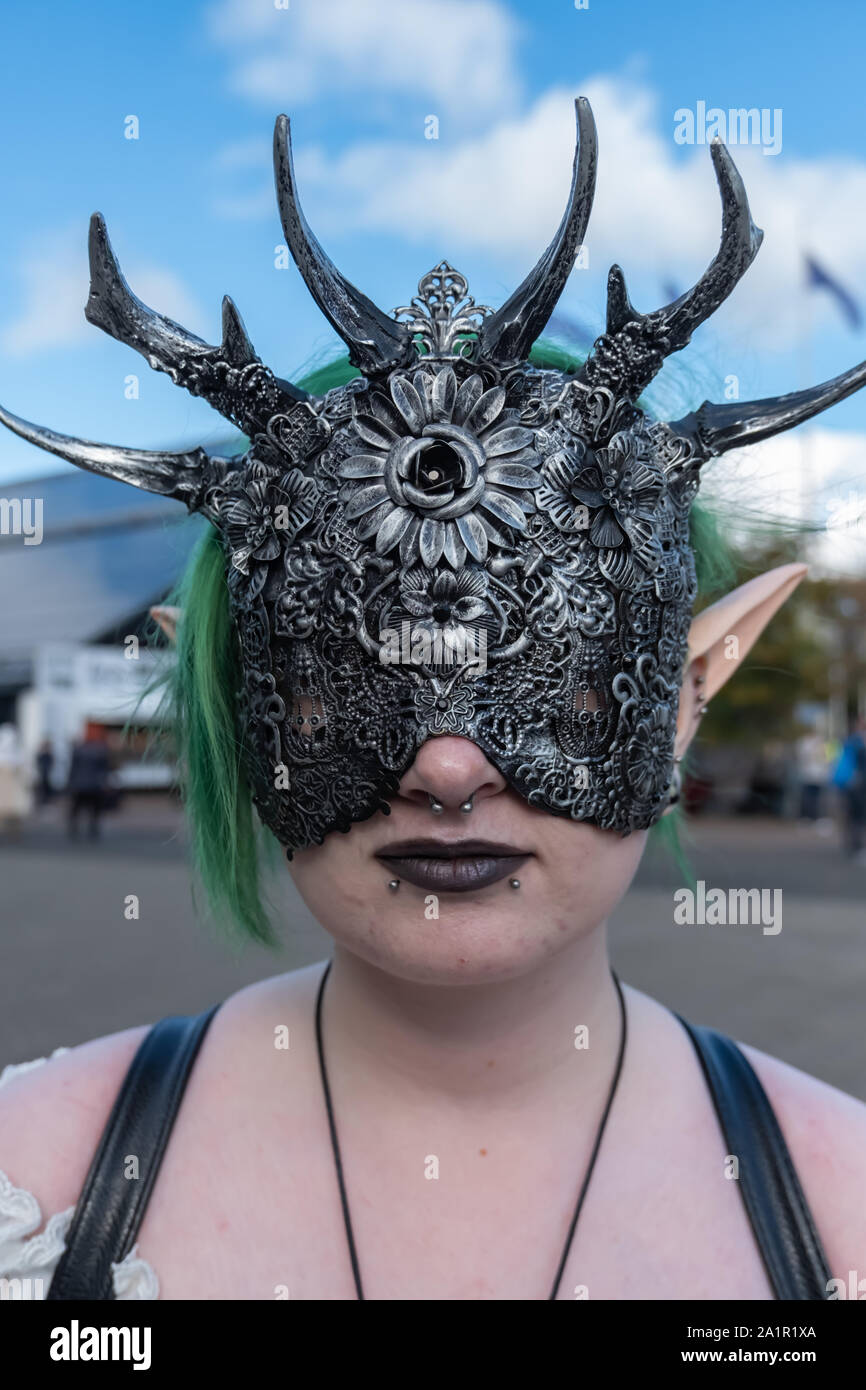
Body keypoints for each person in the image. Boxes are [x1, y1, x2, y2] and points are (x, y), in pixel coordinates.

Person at [1, 101, 865, 1303]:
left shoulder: (845, 1208)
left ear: (689, 686)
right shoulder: (29, 1175)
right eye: (336, 682)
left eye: (561, 682)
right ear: (237, 703)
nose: (448, 769)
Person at [66, 722, 111, 840]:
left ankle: (74, 829)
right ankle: (93, 829)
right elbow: (104, 769)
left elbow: (73, 768)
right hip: (94, 784)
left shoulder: (79, 749)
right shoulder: (101, 749)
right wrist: (104, 782)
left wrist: (70, 783)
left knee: (76, 809)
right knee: (94, 810)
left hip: (80, 784)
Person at [833, 715, 866, 857]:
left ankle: (856, 846)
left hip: (856, 784)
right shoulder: (853, 742)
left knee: (856, 816)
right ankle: (856, 847)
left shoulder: (853, 741)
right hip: (856, 784)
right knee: (856, 816)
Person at [0, 723, 31, 834]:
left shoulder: (19, 753)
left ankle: (14, 831)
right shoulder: (15, 753)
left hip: (14, 789)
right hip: (5, 789)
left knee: (15, 811)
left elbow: (26, 770)